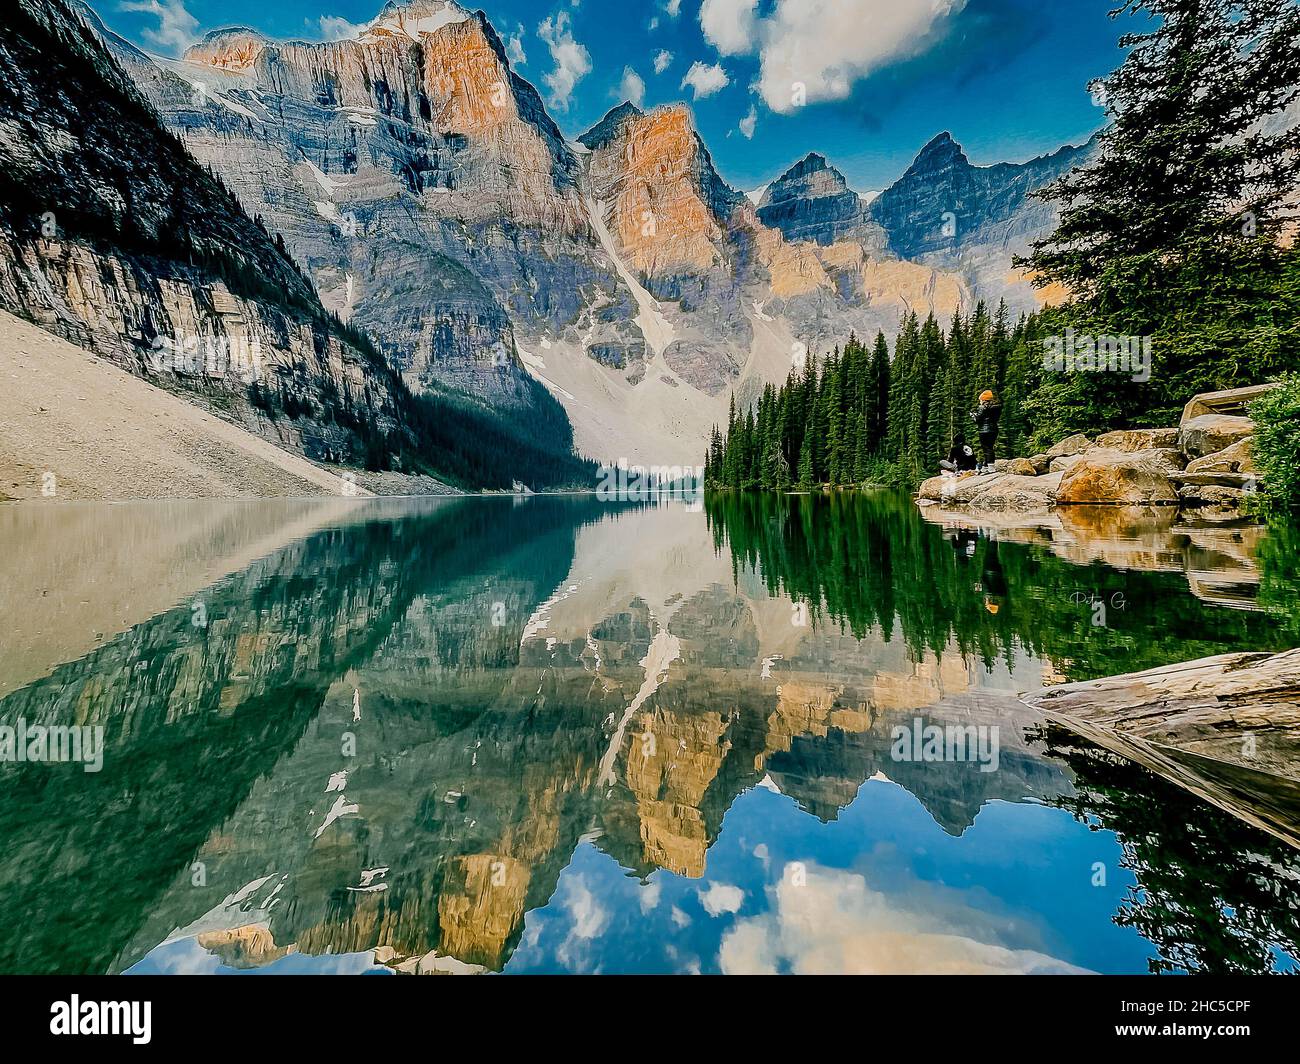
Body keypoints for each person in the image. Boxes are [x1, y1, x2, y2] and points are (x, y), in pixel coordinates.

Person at [971, 390, 1002, 472]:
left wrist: (973, 416)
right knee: (990, 447)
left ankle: (991, 467)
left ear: (984, 400)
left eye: (981, 400)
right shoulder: (996, 408)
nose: (980, 401)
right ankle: (986, 466)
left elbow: (978, 420)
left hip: (984, 431)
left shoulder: (982, 408)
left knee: (986, 448)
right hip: (994, 430)